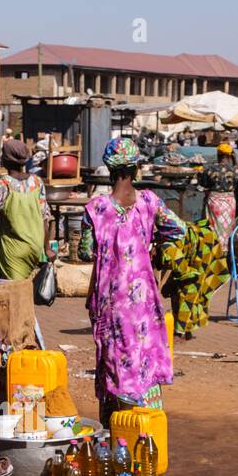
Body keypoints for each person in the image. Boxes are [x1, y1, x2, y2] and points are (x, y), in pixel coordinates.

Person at [78, 137, 184, 423]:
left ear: (109, 169)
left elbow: (85, 251)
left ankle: (115, 430)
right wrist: (150, 243)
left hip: (110, 302)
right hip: (143, 302)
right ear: (136, 168)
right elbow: (179, 230)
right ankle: (145, 425)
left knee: (113, 360)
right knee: (144, 357)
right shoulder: (150, 202)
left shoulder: (96, 208)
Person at [0, 138, 51, 281]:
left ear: (5, 160)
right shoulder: (37, 182)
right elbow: (45, 217)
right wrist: (47, 248)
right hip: (35, 246)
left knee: (16, 292)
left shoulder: (4, 184)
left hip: (15, 248)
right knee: (27, 287)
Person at [200, 143, 238, 245]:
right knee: (227, 227)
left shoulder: (210, 169)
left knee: (213, 227)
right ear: (230, 156)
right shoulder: (235, 169)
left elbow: (203, 183)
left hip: (215, 202)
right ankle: (225, 250)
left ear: (218, 155)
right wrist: (235, 160)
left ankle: (214, 249)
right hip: (230, 203)